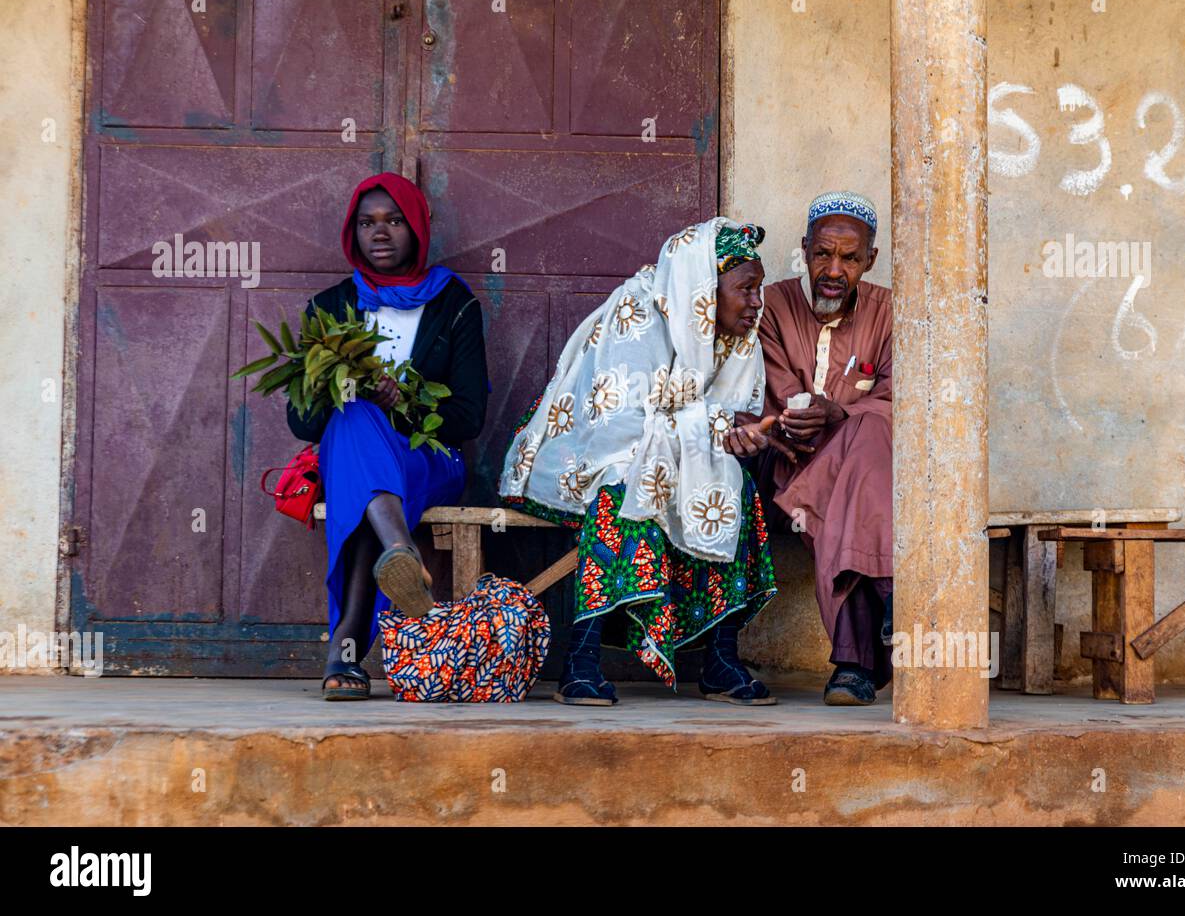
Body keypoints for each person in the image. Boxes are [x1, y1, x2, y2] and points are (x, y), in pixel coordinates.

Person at [499, 218, 798, 705]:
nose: (756, 303)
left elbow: (719, 416)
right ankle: (582, 659)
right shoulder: (637, 315)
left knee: (732, 483)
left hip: (670, 451)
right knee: (625, 494)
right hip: (582, 455)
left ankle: (720, 660)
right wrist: (714, 426)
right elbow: (619, 430)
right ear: (703, 287)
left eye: (759, 289)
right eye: (745, 289)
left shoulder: (738, 336)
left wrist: (734, 434)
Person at [287, 172, 489, 701]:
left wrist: (405, 400)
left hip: (431, 458)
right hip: (357, 460)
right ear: (351, 232)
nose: (379, 233)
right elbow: (302, 424)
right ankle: (399, 551)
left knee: (361, 479)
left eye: (394, 221)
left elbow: (470, 416)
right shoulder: (329, 307)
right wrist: (336, 385)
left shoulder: (455, 303)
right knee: (353, 422)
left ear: (417, 227)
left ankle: (346, 652)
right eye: (366, 223)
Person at [756, 190, 893, 705]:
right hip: (791, 460)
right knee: (862, 448)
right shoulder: (770, 305)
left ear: (870, 260)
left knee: (868, 439)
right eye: (822, 254)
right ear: (805, 249)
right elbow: (780, 398)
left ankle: (854, 669)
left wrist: (843, 414)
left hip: (862, 475)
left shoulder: (889, 314)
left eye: (850, 258)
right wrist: (830, 417)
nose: (833, 269)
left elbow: (902, 400)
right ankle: (891, 593)